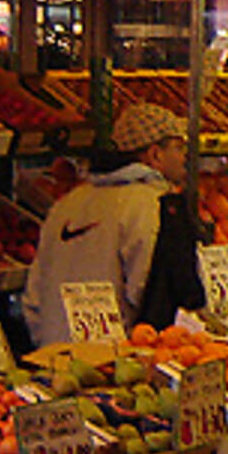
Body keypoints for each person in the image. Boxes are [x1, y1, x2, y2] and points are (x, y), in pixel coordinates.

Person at [24, 104, 206, 346]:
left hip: (53, 353)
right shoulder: (150, 204)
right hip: (114, 356)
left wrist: (47, 343)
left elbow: (34, 292)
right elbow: (143, 286)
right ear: (155, 155)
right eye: (178, 147)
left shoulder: (67, 202)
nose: (185, 157)